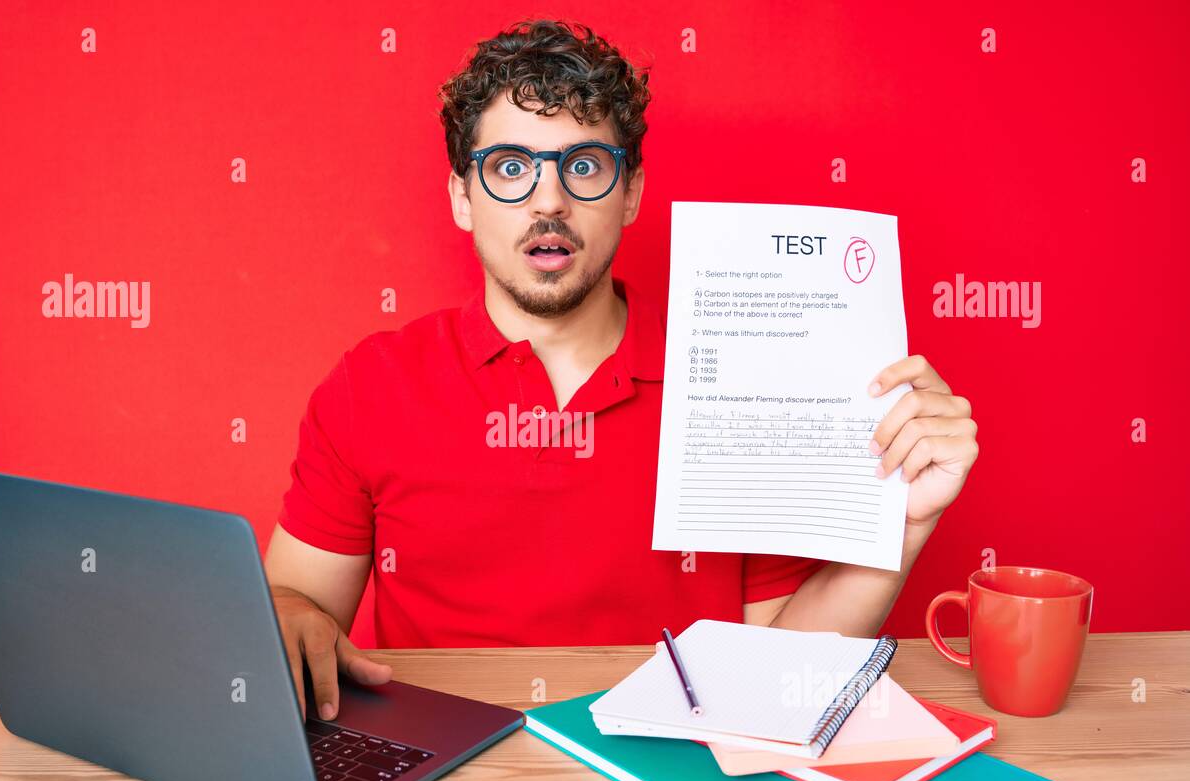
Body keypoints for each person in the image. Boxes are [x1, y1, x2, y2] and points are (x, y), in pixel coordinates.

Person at [263, 19, 979, 720]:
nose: (549, 201)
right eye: (510, 167)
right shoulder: (372, 385)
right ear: (462, 197)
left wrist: (905, 524)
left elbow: (780, 675)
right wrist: (291, 620)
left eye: (584, 166)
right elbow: (296, 604)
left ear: (630, 192)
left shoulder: (739, 383)